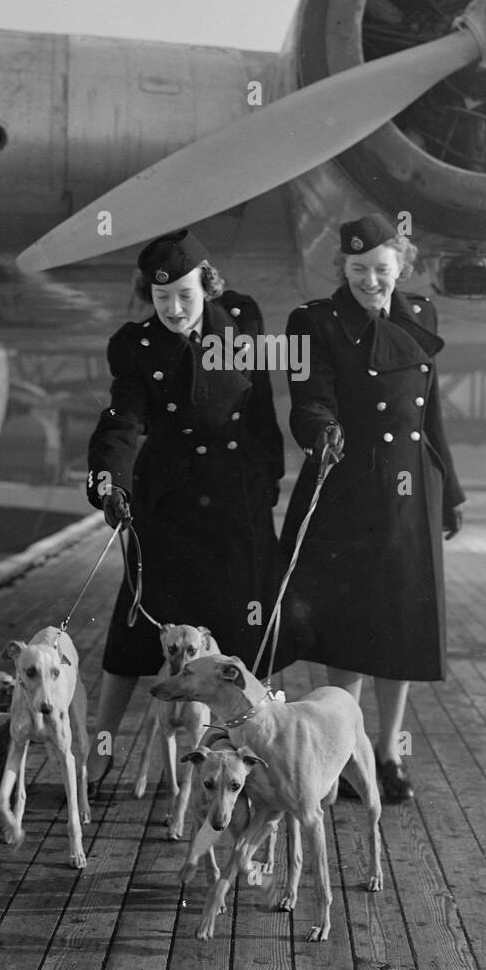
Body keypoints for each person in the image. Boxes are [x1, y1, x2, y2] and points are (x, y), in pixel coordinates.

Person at [84, 229, 285, 796]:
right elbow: (122, 420)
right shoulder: (134, 345)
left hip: (235, 498)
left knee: (244, 630)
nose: (173, 309)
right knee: (134, 633)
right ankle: (102, 746)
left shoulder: (242, 320)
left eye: (185, 297)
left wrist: (268, 477)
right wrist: (110, 481)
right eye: (160, 297)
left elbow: (262, 403)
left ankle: (251, 749)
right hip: (168, 502)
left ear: (209, 287)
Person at [280, 213, 464, 805]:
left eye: (381, 269)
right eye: (358, 269)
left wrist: (451, 491)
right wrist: (323, 430)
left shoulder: (421, 315)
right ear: (344, 267)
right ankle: (343, 752)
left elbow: (429, 415)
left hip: (411, 492)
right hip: (348, 487)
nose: (370, 280)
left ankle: (387, 754)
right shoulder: (313, 322)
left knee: (402, 625)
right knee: (350, 626)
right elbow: (308, 400)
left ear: (399, 266)